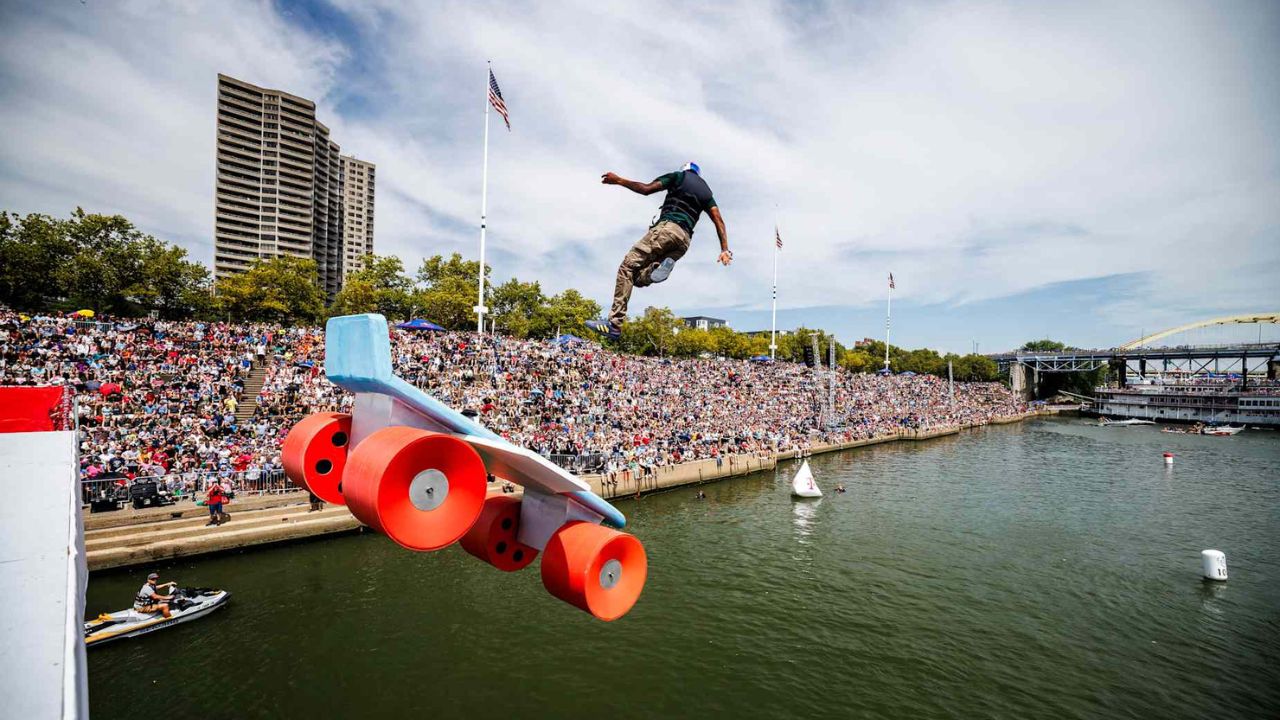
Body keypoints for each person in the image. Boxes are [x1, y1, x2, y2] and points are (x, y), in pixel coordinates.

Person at [587, 162, 731, 339]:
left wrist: (619, 180)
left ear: (685, 169)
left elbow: (646, 189)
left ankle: (614, 325)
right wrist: (724, 249)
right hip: (684, 242)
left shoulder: (678, 177)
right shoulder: (707, 193)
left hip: (667, 230)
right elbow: (718, 220)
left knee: (627, 267)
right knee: (637, 278)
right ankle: (654, 271)